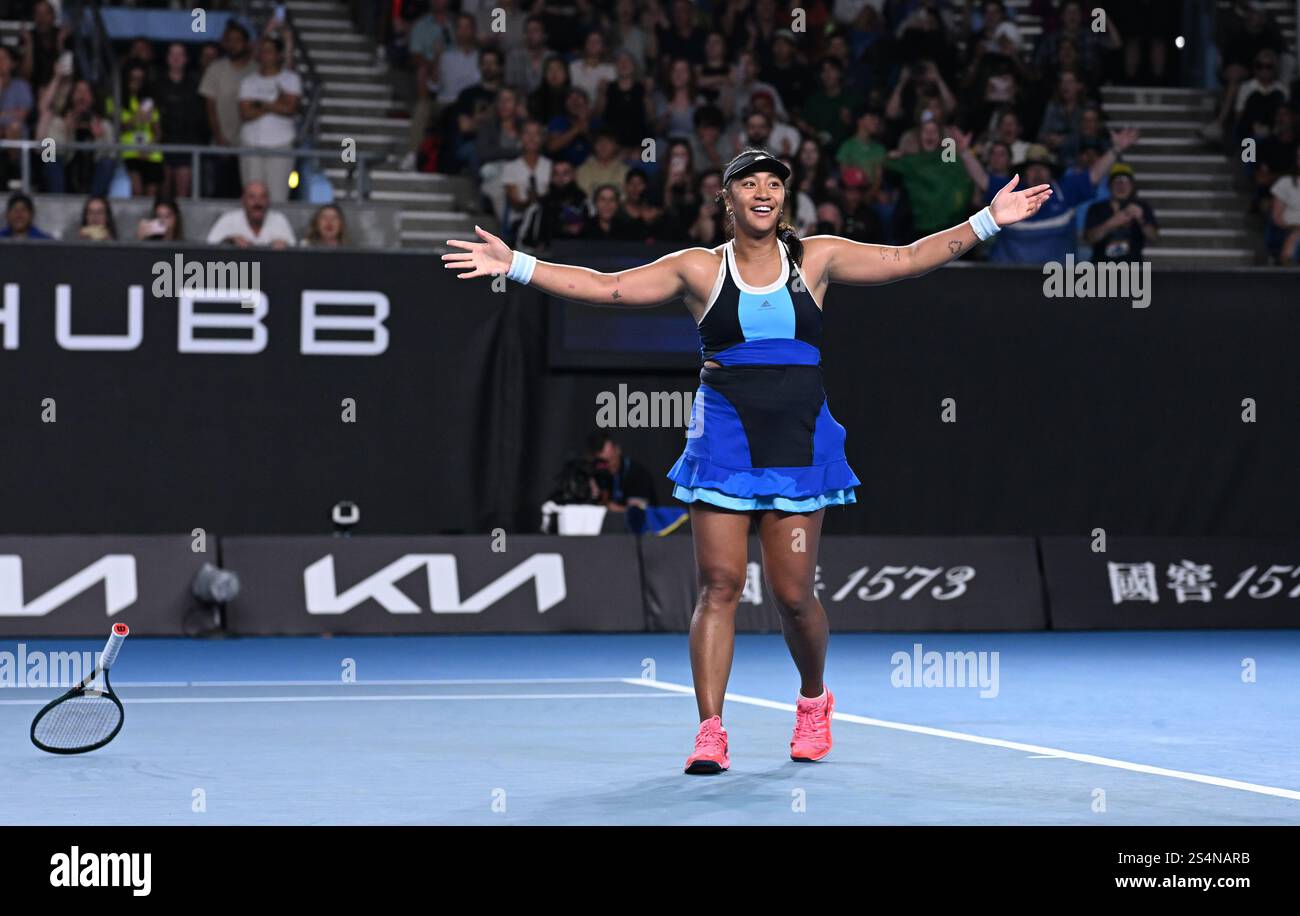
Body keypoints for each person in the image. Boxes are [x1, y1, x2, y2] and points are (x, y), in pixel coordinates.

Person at [443, 148, 1051, 774]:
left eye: (774, 183)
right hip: (724, 443)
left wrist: (988, 220)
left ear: (782, 198)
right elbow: (610, 287)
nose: (763, 191)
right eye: (749, 183)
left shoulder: (817, 257)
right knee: (720, 586)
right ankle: (711, 730)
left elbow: (905, 260)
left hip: (799, 442)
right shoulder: (699, 270)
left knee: (792, 596)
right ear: (726, 199)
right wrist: (514, 263)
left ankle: (814, 700)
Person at [237, 29, 301, 202]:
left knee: (278, 196)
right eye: (262, 51)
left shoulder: (291, 79)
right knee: (252, 195)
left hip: (281, 144)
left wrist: (260, 104)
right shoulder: (248, 81)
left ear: (278, 54)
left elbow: (290, 108)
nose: (265, 55)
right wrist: (275, 104)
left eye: (269, 51)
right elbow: (245, 113)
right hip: (251, 144)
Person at [198, 21, 256, 197]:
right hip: (220, 144)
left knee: (247, 192)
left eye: (238, 40)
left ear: (246, 43)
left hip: (249, 145)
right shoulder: (216, 68)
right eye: (230, 40)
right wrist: (219, 137)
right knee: (219, 192)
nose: (233, 44)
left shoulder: (256, 70)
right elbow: (210, 106)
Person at [1084, 163, 1158, 262]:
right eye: (1117, 182)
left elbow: (1153, 237)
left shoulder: (1142, 207)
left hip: (1132, 269)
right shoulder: (1097, 208)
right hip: (1101, 268)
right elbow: (1090, 238)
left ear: (1132, 186)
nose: (1121, 186)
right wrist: (1111, 223)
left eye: (1125, 182)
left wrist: (1141, 219)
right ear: (1110, 186)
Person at [206, 180, 296, 247]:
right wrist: (229, 241)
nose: (257, 202)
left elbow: (295, 252)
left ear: (268, 201)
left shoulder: (279, 220)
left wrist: (285, 246)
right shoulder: (228, 220)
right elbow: (208, 248)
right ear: (243, 200)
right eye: (252, 197)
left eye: (262, 197)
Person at [586, 430, 659, 509]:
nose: (607, 466)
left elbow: (638, 513)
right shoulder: (595, 475)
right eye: (601, 463)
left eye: (610, 460)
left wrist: (606, 506)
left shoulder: (636, 473)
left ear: (618, 450)